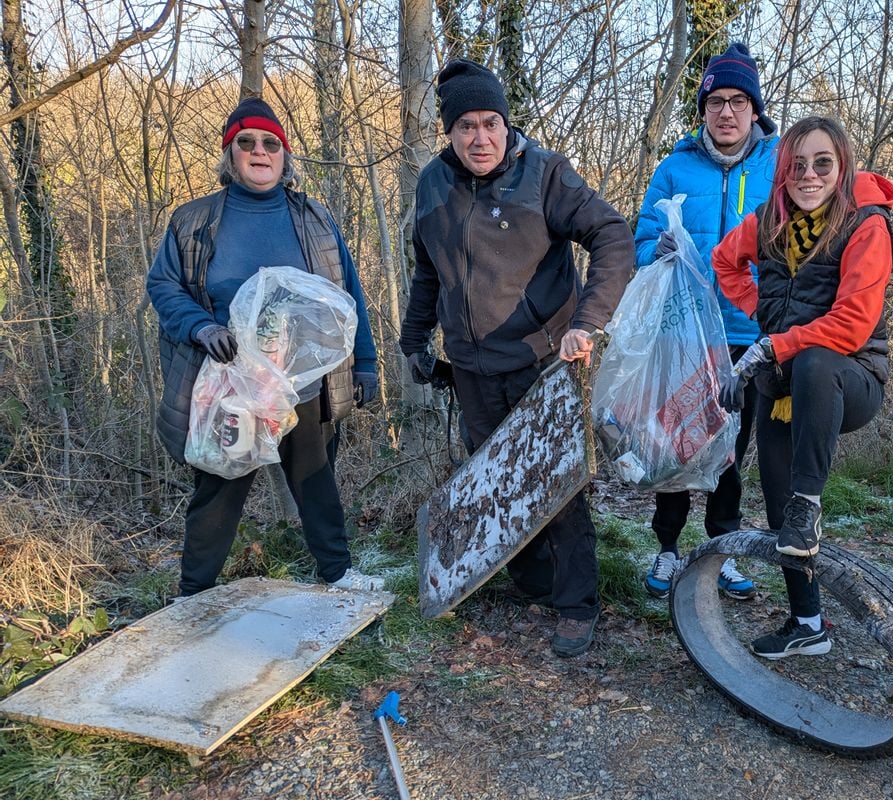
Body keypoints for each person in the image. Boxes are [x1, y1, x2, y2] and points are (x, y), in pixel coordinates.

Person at [400, 60, 634, 658]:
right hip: (473, 368)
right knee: (497, 481)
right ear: (448, 133)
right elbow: (427, 270)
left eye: (491, 123)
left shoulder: (546, 175)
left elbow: (612, 234)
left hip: (543, 363)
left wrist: (586, 325)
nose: (481, 138)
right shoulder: (432, 186)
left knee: (557, 483)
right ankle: (532, 581)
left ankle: (577, 604)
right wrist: (414, 338)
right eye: (466, 127)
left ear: (507, 124)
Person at [147, 97, 384, 598]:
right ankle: (194, 592)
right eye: (246, 142)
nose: (259, 151)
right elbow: (164, 285)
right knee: (220, 486)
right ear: (229, 154)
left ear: (285, 155)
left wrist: (365, 363)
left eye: (270, 143)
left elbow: (349, 294)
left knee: (315, 479)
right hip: (229, 380)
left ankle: (337, 573)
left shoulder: (315, 219)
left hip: (300, 377)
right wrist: (199, 327)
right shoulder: (194, 221)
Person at [713, 116, 893, 658]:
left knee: (817, 360)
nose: (809, 176)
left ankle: (808, 501)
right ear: (783, 171)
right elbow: (725, 262)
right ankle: (807, 624)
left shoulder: (866, 225)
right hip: (782, 378)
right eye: (797, 165)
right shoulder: (768, 220)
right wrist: (760, 310)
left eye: (822, 163)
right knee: (778, 507)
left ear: (841, 168)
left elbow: (853, 323)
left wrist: (772, 344)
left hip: (850, 378)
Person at [632, 43, 777, 601]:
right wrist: (660, 249)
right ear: (702, 109)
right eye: (716, 101)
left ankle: (725, 551)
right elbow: (641, 239)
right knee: (677, 445)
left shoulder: (778, 166)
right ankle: (667, 549)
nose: (727, 112)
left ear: (754, 109)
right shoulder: (674, 168)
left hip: (747, 336)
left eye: (738, 101)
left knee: (730, 453)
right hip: (683, 334)